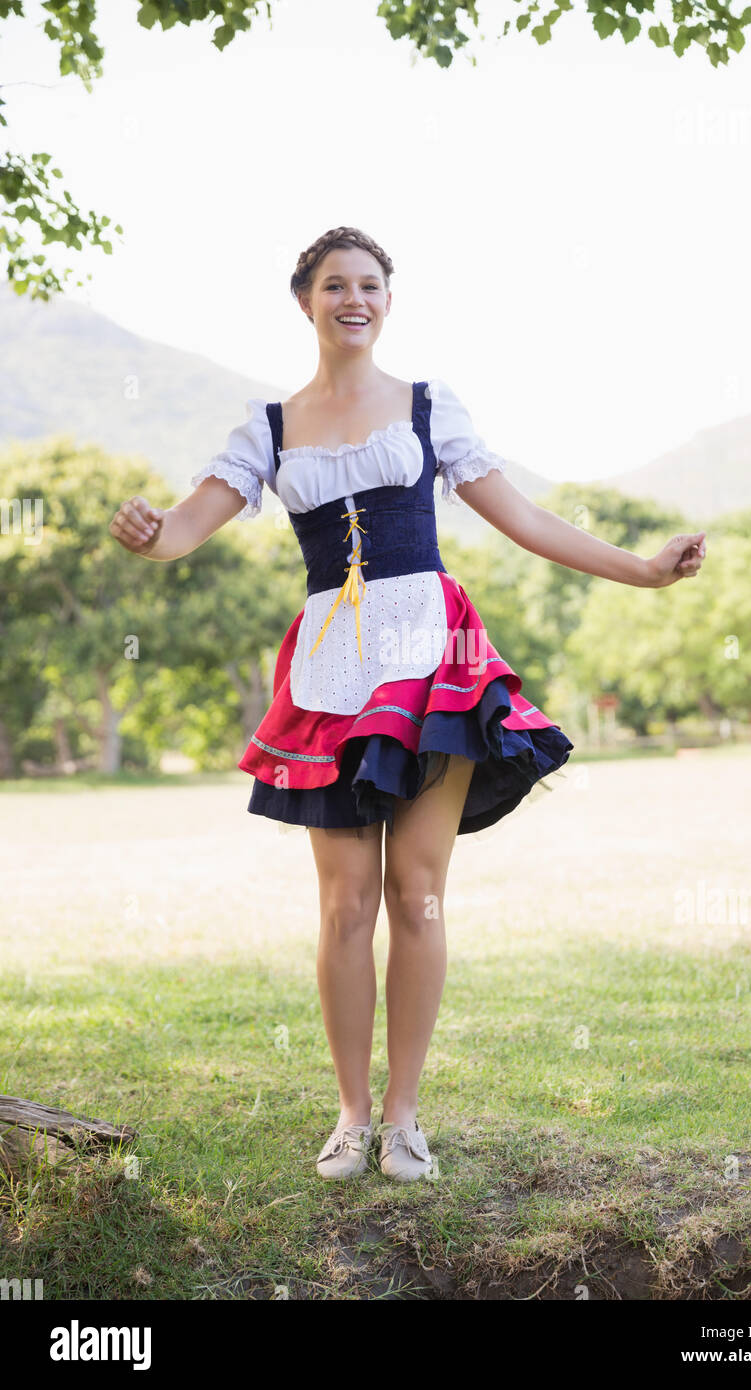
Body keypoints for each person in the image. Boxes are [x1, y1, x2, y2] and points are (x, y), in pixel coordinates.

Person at [110, 225, 706, 1184]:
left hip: (432, 654)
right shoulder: (265, 427)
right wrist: (147, 536)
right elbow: (182, 528)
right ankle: (349, 1120)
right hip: (329, 670)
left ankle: (404, 1122)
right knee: (344, 904)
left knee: (416, 895)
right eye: (336, 285)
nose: (355, 298)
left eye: (372, 285)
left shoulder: (431, 408)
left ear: (389, 301)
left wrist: (641, 570)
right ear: (305, 300)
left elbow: (524, 519)